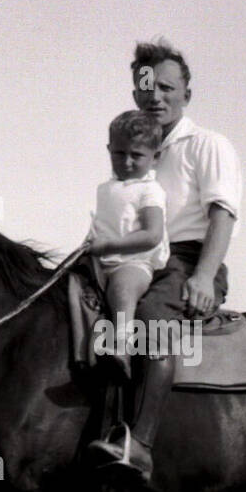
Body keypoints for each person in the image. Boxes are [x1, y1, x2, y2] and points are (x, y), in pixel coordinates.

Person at [86, 38, 242, 480]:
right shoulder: (138, 151)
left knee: (152, 321)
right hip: (138, 258)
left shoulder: (207, 145)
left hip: (187, 259)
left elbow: (223, 214)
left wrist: (205, 277)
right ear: (136, 93)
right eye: (147, 87)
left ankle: (142, 445)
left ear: (186, 95)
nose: (156, 95)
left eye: (167, 88)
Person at [85, 110, 168, 383]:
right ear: (109, 149)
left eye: (137, 155)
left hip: (133, 263)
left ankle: (121, 347)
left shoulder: (150, 190)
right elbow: (102, 226)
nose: (127, 162)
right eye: (119, 154)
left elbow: (152, 234)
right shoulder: (105, 188)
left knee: (122, 289)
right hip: (101, 260)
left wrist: (109, 245)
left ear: (155, 157)